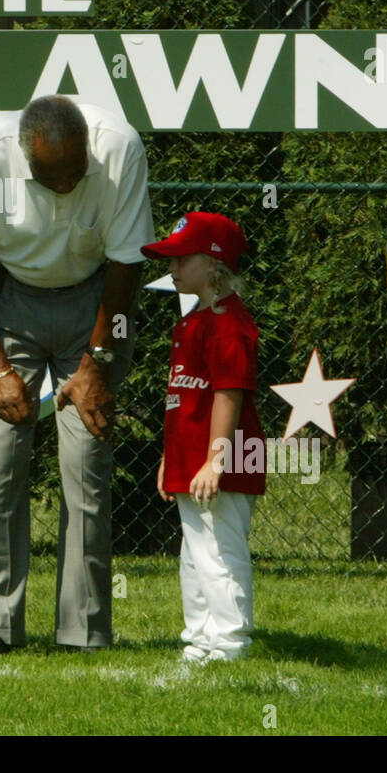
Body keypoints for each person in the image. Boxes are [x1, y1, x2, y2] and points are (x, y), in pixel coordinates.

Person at [0, 94, 153, 654]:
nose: (65, 187)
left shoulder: (120, 149)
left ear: (88, 151)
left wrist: (97, 364)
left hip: (95, 305)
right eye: (49, 178)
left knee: (87, 466)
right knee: (3, 462)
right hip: (9, 306)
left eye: (75, 175)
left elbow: (128, 263)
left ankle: (83, 633)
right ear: (26, 160)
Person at [142, 211, 266, 663]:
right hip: (194, 460)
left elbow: (229, 396)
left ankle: (230, 642)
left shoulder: (229, 324)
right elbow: (185, 402)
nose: (171, 269)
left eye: (180, 259)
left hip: (227, 460)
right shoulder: (194, 321)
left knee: (219, 549)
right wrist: (170, 459)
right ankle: (200, 638)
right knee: (195, 554)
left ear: (213, 264)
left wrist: (216, 460)